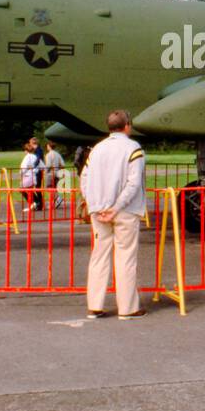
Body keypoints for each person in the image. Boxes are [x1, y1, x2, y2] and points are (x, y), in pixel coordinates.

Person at [81, 110, 147, 319]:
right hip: (125, 211)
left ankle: (95, 306)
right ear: (127, 125)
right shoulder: (133, 148)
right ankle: (128, 308)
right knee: (125, 257)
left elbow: (84, 178)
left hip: (99, 212)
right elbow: (133, 183)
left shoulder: (97, 149)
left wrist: (96, 204)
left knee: (99, 256)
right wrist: (116, 207)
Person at [18, 137, 45, 212]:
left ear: (26, 151)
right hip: (34, 177)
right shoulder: (35, 156)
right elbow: (43, 166)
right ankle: (36, 203)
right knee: (30, 190)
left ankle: (34, 203)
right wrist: (36, 170)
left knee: (22, 189)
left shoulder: (27, 157)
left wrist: (21, 174)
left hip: (27, 176)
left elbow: (23, 168)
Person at [44, 140, 67, 209]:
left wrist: (45, 171)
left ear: (49, 146)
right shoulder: (58, 154)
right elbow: (63, 164)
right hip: (57, 173)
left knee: (49, 188)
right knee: (54, 188)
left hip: (50, 173)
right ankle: (53, 203)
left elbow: (48, 165)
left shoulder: (48, 155)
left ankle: (57, 198)